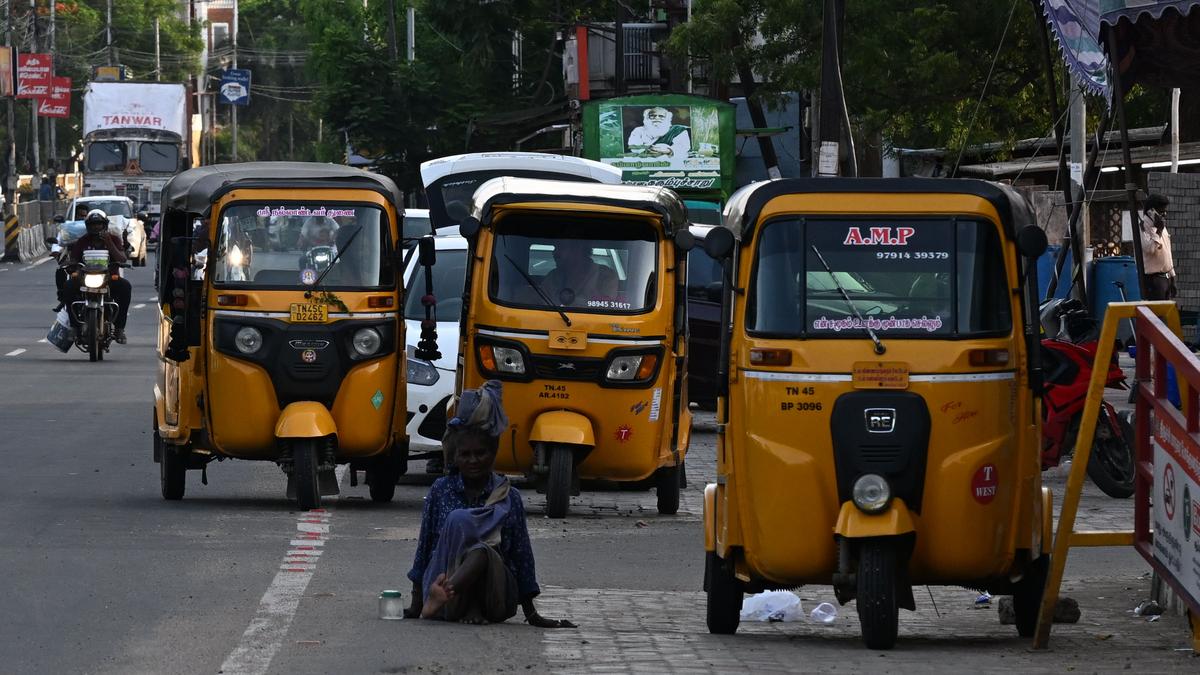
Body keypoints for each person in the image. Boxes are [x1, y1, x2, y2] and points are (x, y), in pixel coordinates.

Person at [405, 381, 575, 628]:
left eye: (480, 453)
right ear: (455, 456)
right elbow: (425, 548)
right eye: (465, 455)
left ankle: (463, 603)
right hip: (444, 588)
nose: (473, 460)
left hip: (493, 596)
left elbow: (521, 554)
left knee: (482, 552)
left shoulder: (509, 496)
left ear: (493, 452)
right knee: (462, 526)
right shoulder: (441, 490)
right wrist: (415, 603)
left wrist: (532, 614)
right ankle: (440, 598)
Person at [60, 210, 132, 343]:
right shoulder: (82, 241)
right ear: (88, 226)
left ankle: (119, 329)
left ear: (104, 225)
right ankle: (74, 327)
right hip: (85, 279)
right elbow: (74, 259)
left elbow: (122, 259)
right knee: (68, 286)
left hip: (109, 279)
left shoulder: (114, 239)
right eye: (93, 224)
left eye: (99, 224)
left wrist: (109, 242)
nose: (96, 227)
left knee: (126, 287)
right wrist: (70, 265)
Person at [539, 239, 619, 306]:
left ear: (577, 249)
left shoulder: (605, 276)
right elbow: (540, 304)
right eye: (555, 248)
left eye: (560, 247)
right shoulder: (553, 277)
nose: (555, 253)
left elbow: (606, 309)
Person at [1140, 193, 1176, 301]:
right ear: (1151, 211)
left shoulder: (1160, 225)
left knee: (1166, 314)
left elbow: (1167, 252)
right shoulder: (1143, 226)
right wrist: (1158, 231)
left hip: (1166, 277)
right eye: (1161, 211)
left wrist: (1172, 277)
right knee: (1157, 314)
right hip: (1154, 279)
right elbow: (1149, 249)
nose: (1164, 214)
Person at [627, 107, 691, 160]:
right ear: (647, 118)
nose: (657, 118)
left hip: (670, 162)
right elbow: (633, 147)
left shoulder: (677, 130)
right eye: (652, 116)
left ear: (667, 118)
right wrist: (648, 149)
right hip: (646, 162)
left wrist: (668, 150)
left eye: (661, 116)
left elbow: (684, 147)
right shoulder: (638, 130)